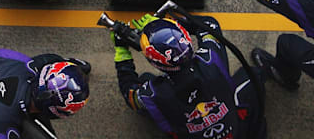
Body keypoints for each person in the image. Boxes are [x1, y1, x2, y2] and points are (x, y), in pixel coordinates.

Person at [112, 12, 263, 138]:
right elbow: (209, 24)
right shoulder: (211, 59)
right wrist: (171, 22)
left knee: (144, 78)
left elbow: (130, 95)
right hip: (235, 132)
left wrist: (122, 52)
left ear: (155, 63)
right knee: (254, 73)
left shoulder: (152, 93)